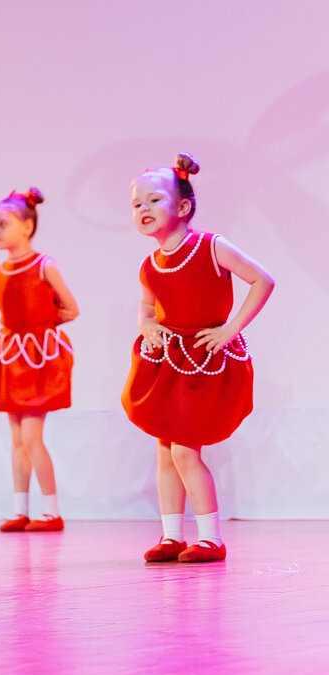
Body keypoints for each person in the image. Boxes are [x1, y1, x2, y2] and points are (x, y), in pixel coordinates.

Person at [122, 154, 274, 562]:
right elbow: (146, 309)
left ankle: (211, 537)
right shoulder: (150, 266)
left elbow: (263, 280)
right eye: (138, 204)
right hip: (170, 363)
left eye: (154, 200)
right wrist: (148, 326)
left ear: (183, 207)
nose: (144, 210)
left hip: (207, 362)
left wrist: (230, 330)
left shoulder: (211, 247)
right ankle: (172, 535)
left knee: (186, 451)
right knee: (165, 447)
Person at [0, 189, 77, 532]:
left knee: (33, 437)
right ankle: (20, 509)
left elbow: (71, 308)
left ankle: (51, 511)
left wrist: (42, 328)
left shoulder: (44, 265)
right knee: (17, 438)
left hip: (38, 358)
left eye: (3, 224)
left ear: (27, 226)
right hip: (11, 358)